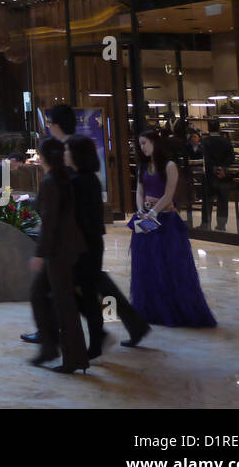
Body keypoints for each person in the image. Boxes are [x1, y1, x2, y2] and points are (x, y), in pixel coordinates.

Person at [65, 134, 151, 356]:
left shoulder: (79, 181)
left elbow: (79, 218)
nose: (64, 153)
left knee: (80, 292)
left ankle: (99, 340)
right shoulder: (89, 179)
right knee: (97, 286)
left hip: (84, 245)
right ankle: (133, 325)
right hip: (92, 243)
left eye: (67, 150)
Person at [128, 129, 217, 328]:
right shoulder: (143, 166)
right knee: (147, 264)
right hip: (146, 220)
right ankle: (151, 309)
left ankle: (173, 309)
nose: (142, 147)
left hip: (166, 221)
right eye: (140, 144)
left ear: (154, 143)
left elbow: (169, 195)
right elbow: (139, 189)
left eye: (145, 143)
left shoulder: (169, 166)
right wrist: (141, 210)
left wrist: (153, 212)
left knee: (168, 265)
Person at [28, 136, 89, 374]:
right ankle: (49, 348)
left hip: (58, 250)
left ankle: (73, 357)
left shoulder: (52, 181)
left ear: (42, 157)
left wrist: (40, 254)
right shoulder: (59, 179)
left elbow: (51, 222)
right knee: (41, 295)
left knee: (64, 304)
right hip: (63, 248)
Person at [201, 118, 235, 231]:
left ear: (209, 129)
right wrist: (223, 168)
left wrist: (213, 168)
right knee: (222, 200)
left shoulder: (205, 142)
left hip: (210, 175)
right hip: (223, 176)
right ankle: (221, 224)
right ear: (219, 128)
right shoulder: (226, 141)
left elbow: (205, 158)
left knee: (207, 201)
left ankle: (206, 224)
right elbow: (231, 157)